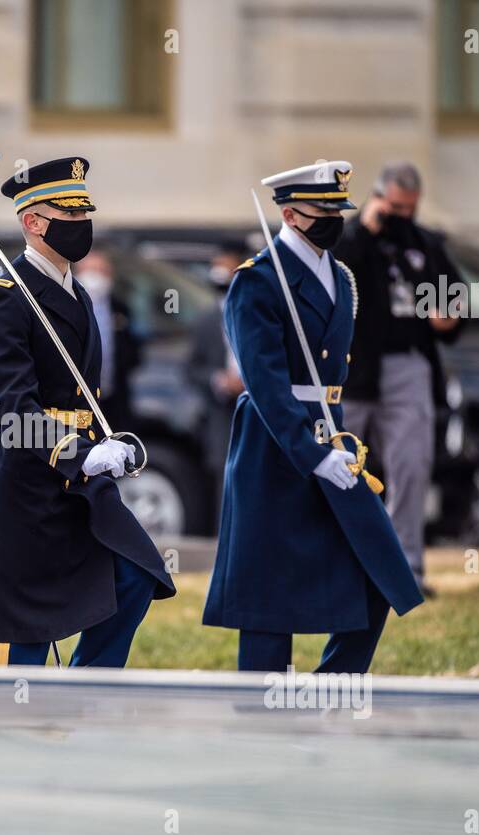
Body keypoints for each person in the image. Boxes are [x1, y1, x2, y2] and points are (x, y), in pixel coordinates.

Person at [203, 160, 423, 673]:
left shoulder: (342, 277)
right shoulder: (257, 281)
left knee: (380, 570)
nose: (332, 217)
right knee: (266, 598)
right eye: (320, 209)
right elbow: (264, 381)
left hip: (334, 434)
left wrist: (330, 448)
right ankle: (262, 708)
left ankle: (330, 685)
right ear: (289, 214)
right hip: (274, 443)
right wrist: (309, 452)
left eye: (337, 209)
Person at [0, 157, 175, 666]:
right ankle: (6, 729)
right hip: (25, 478)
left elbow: (82, 394)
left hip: (78, 475)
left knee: (136, 574)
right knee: (24, 632)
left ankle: (83, 690)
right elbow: (13, 410)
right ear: (32, 222)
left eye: (84, 216)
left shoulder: (78, 293)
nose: (82, 227)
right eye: (68, 216)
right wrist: (79, 455)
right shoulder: (4, 297)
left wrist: (108, 444)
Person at [333, 161, 465, 595]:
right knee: (342, 465)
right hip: (355, 368)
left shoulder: (424, 244)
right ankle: (344, 562)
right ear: (378, 198)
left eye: (410, 207)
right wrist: (365, 231)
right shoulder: (353, 239)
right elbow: (337, 276)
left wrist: (449, 317)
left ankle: (406, 567)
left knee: (410, 465)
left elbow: (454, 293)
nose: (401, 215)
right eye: (395, 206)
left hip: (408, 365)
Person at [186, 241, 248, 513]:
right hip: (221, 414)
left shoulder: (255, 313)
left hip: (255, 407)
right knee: (225, 481)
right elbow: (192, 368)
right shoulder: (205, 320)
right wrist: (220, 381)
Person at [73, 247, 140, 429]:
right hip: (78, 402)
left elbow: (134, 349)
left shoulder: (120, 308)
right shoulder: (69, 305)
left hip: (114, 399)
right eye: (90, 271)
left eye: (101, 271)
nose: (95, 277)